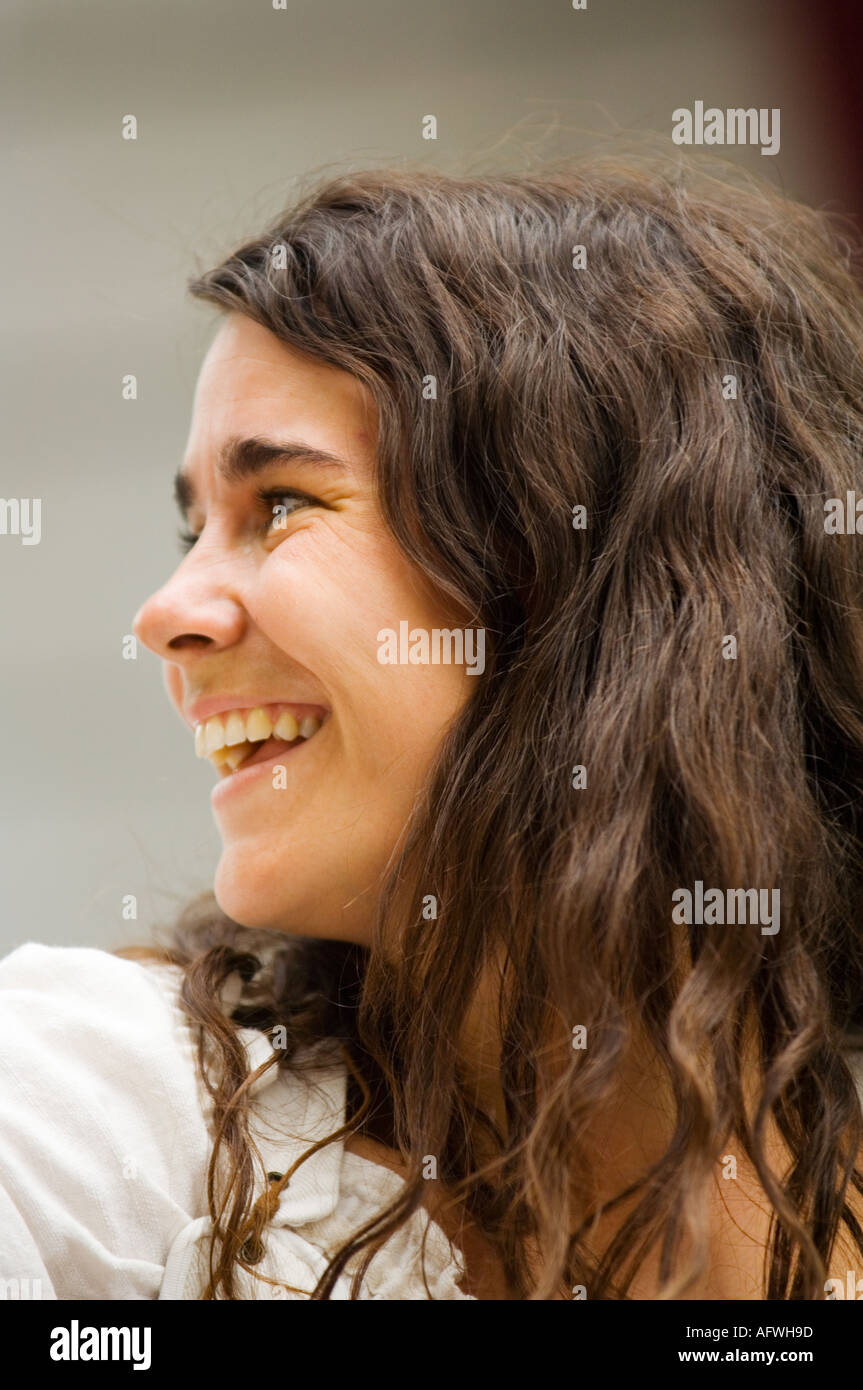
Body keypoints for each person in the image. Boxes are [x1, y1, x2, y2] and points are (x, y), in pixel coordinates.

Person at [4, 154, 863, 1300]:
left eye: (283, 504)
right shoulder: (85, 1115)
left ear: (578, 580)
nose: (165, 615)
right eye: (192, 531)